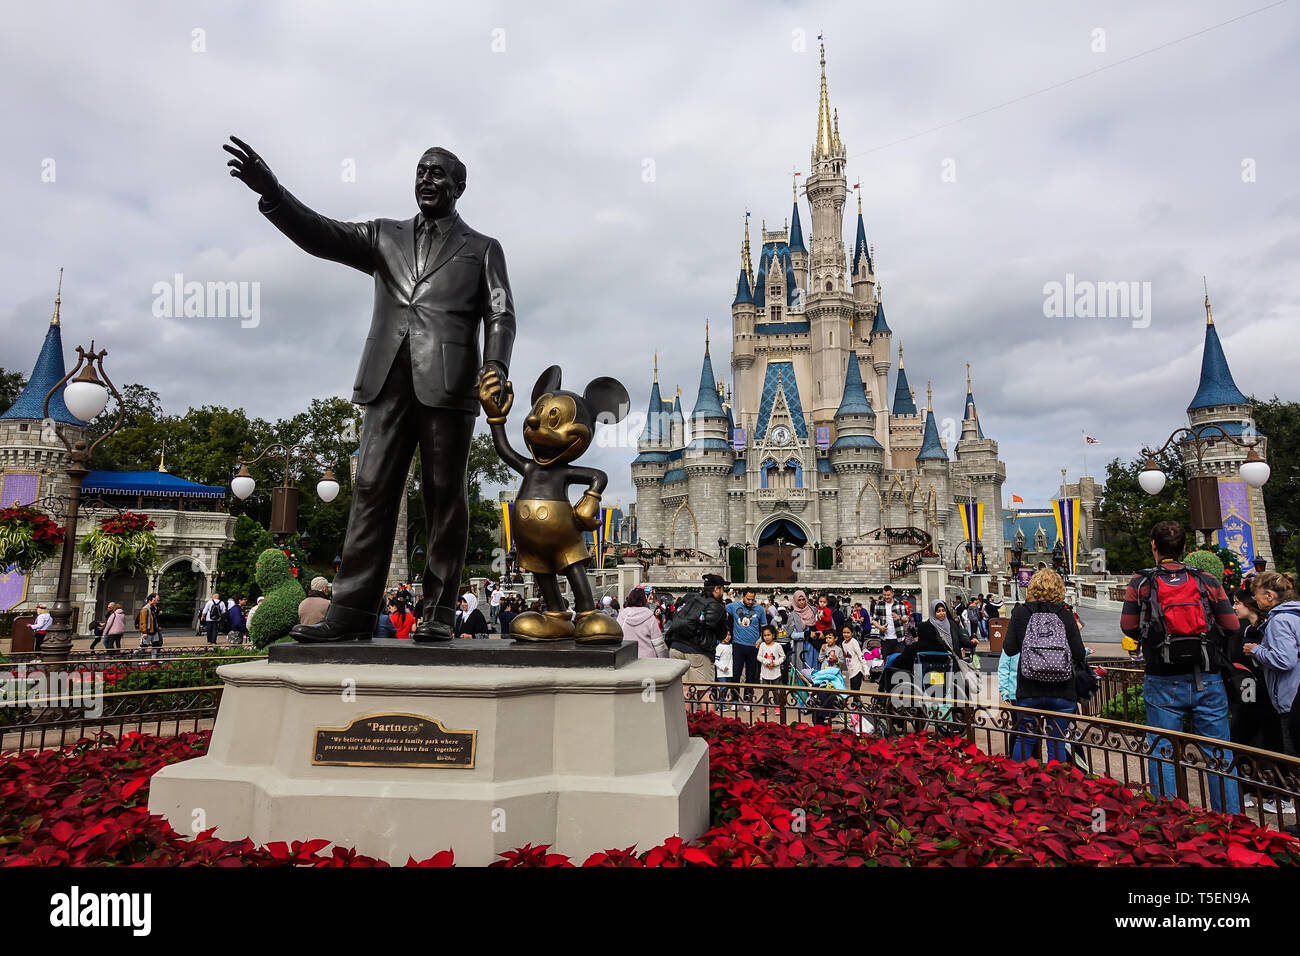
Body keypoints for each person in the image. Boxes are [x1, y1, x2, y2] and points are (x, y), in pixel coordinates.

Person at [228, 137, 516, 645]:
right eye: (422, 171)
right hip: (387, 380)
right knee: (370, 490)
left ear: (460, 187)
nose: (428, 179)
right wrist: (273, 193)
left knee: (445, 496)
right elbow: (321, 235)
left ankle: (440, 611)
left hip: (449, 384)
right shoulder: (385, 235)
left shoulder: (482, 248)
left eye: (439, 174)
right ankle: (352, 612)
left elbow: (501, 312)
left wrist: (494, 364)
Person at [1120, 520, 1241, 813]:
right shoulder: (1207, 580)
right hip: (1207, 675)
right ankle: (1230, 824)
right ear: (1185, 548)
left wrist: (1154, 640)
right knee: (1219, 754)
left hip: (1163, 677)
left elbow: (1128, 626)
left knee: (1162, 750)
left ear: (1154, 547)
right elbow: (1232, 624)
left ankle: (1169, 820)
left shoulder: (1141, 581)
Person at [1002, 570, 1088, 764]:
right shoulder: (1065, 614)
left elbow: (1009, 649)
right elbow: (1079, 654)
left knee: (1025, 739)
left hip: (1029, 689)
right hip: (1062, 690)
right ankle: (1055, 787)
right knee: (1057, 741)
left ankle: (1019, 783)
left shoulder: (1021, 612)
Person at [1246, 571, 1300, 757]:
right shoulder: (1296, 615)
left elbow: (1285, 659)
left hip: (1291, 700)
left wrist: (1256, 650)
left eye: (1257, 595)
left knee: (1293, 759)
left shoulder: (1280, 620)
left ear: (1270, 596)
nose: (1255, 599)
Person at [664, 574, 730, 696]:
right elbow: (721, 634)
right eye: (722, 589)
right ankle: (707, 716)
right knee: (704, 691)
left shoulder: (691, 599)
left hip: (676, 647)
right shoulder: (716, 605)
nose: (723, 592)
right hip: (697, 652)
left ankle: (685, 716)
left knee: (684, 690)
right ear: (717, 589)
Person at [725, 588, 767, 704]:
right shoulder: (733, 606)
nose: (750, 602)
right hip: (738, 644)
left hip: (754, 646)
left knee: (751, 674)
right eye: (748, 599)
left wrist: (761, 639)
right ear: (743, 596)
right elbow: (721, 609)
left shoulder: (759, 609)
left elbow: (764, 626)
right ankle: (734, 699)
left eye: (752, 600)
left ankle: (748, 699)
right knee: (736, 672)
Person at [618, 587, 666, 659]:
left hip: (626, 657)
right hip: (647, 659)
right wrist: (662, 659)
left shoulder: (622, 615)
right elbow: (657, 642)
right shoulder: (649, 615)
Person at [872, 585, 909, 663]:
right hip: (885, 640)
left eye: (888, 595)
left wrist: (899, 617)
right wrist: (880, 627)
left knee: (899, 662)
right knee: (887, 662)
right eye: (884, 595)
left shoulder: (900, 604)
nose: (886, 597)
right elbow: (874, 620)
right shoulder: (878, 605)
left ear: (892, 594)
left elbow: (906, 620)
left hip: (899, 639)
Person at [757, 624, 786, 710]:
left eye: (768, 635)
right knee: (765, 691)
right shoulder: (762, 645)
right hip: (765, 673)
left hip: (775, 673)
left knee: (775, 691)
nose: (766, 637)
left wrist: (775, 663)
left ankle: (777, 706)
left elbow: (783, 657)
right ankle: (765, 706)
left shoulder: (777, 646)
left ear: (773, 635)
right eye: (765, 635)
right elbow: (759, 656)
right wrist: (765, 661)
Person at [789, 590, 818, 672]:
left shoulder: (813, 610)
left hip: (814, 645)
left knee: (815, 670)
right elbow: (791, 635)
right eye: (799, 600)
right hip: (801, 646)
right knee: (803, 670)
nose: (802, 602)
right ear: (795, 601)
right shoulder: (793, 615)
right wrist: (805, 634)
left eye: (803, 599)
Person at [713, 632, 735, 712]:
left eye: (729, 635)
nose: (728, 637)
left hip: (730, 672)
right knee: (723, 687)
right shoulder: (719, 647)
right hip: (721, 672)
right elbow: (716, 660)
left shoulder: (731, 646)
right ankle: (721, 703)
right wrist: (722, 667)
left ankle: (721, 702)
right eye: (726, 635)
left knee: (726, 687)